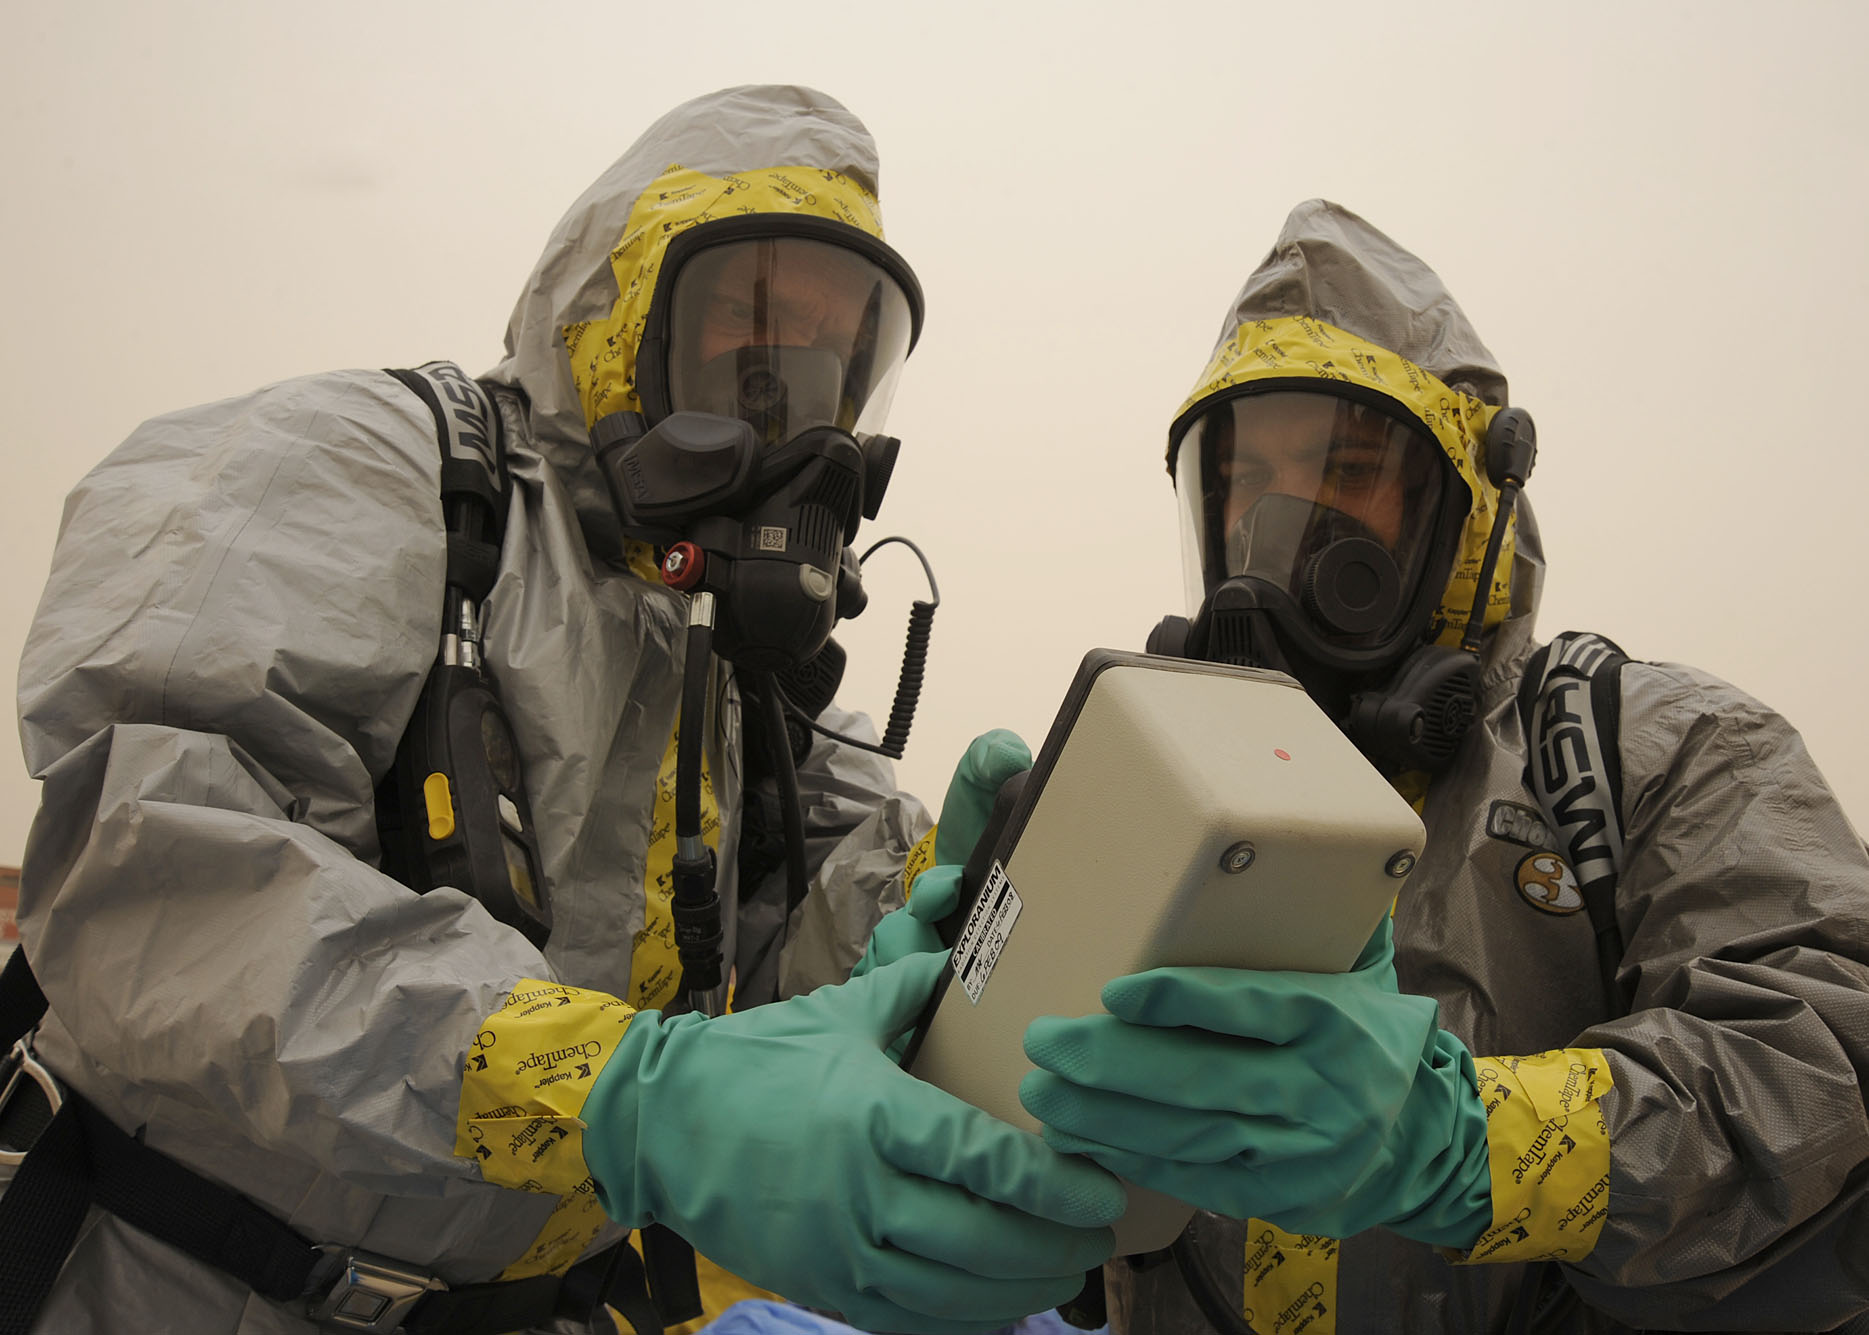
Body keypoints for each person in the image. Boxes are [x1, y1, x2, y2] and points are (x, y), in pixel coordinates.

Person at [9, 85, 1123, 1335]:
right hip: (170, 1287)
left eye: (826, 367)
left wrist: (978, 905)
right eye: (755, 344)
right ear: (623, 314)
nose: (794, 410)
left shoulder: (722, 666)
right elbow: (156, 892)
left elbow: (778, 990)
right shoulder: (370, 469)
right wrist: (622, 1093)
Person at [881, 200, 1869, 1332]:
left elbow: (1830, 1054)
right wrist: (969, 963)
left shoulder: (1650, 749)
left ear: (1461, 510)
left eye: (1344, 470)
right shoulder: (1162, 807)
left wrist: (1463, 1145)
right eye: (1243, 480)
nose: (1277, 523)